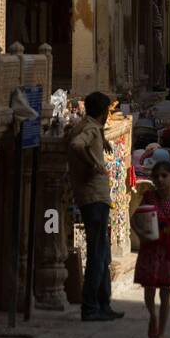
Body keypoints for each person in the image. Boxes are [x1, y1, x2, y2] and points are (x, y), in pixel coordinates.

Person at [65, 91, 125, 323]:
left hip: (91, 197)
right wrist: (94, 164)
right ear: (103, 112)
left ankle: (103, 303)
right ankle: (91, 306)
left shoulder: (85, 125)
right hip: (94, 197)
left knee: (102, 253)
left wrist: (103, 142)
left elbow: (76, 138)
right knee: (98, 254)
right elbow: (76, 145)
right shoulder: (89, 129)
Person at [132, 156, 170, 338]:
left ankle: (161, 335)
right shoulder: (149, 198)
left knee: (165, 293)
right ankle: (153, 317)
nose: (160, 180)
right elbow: (135, 220)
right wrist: (142, 235)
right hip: (150, 250)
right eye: (157, 177)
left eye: (164, 176)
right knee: (149, 291)